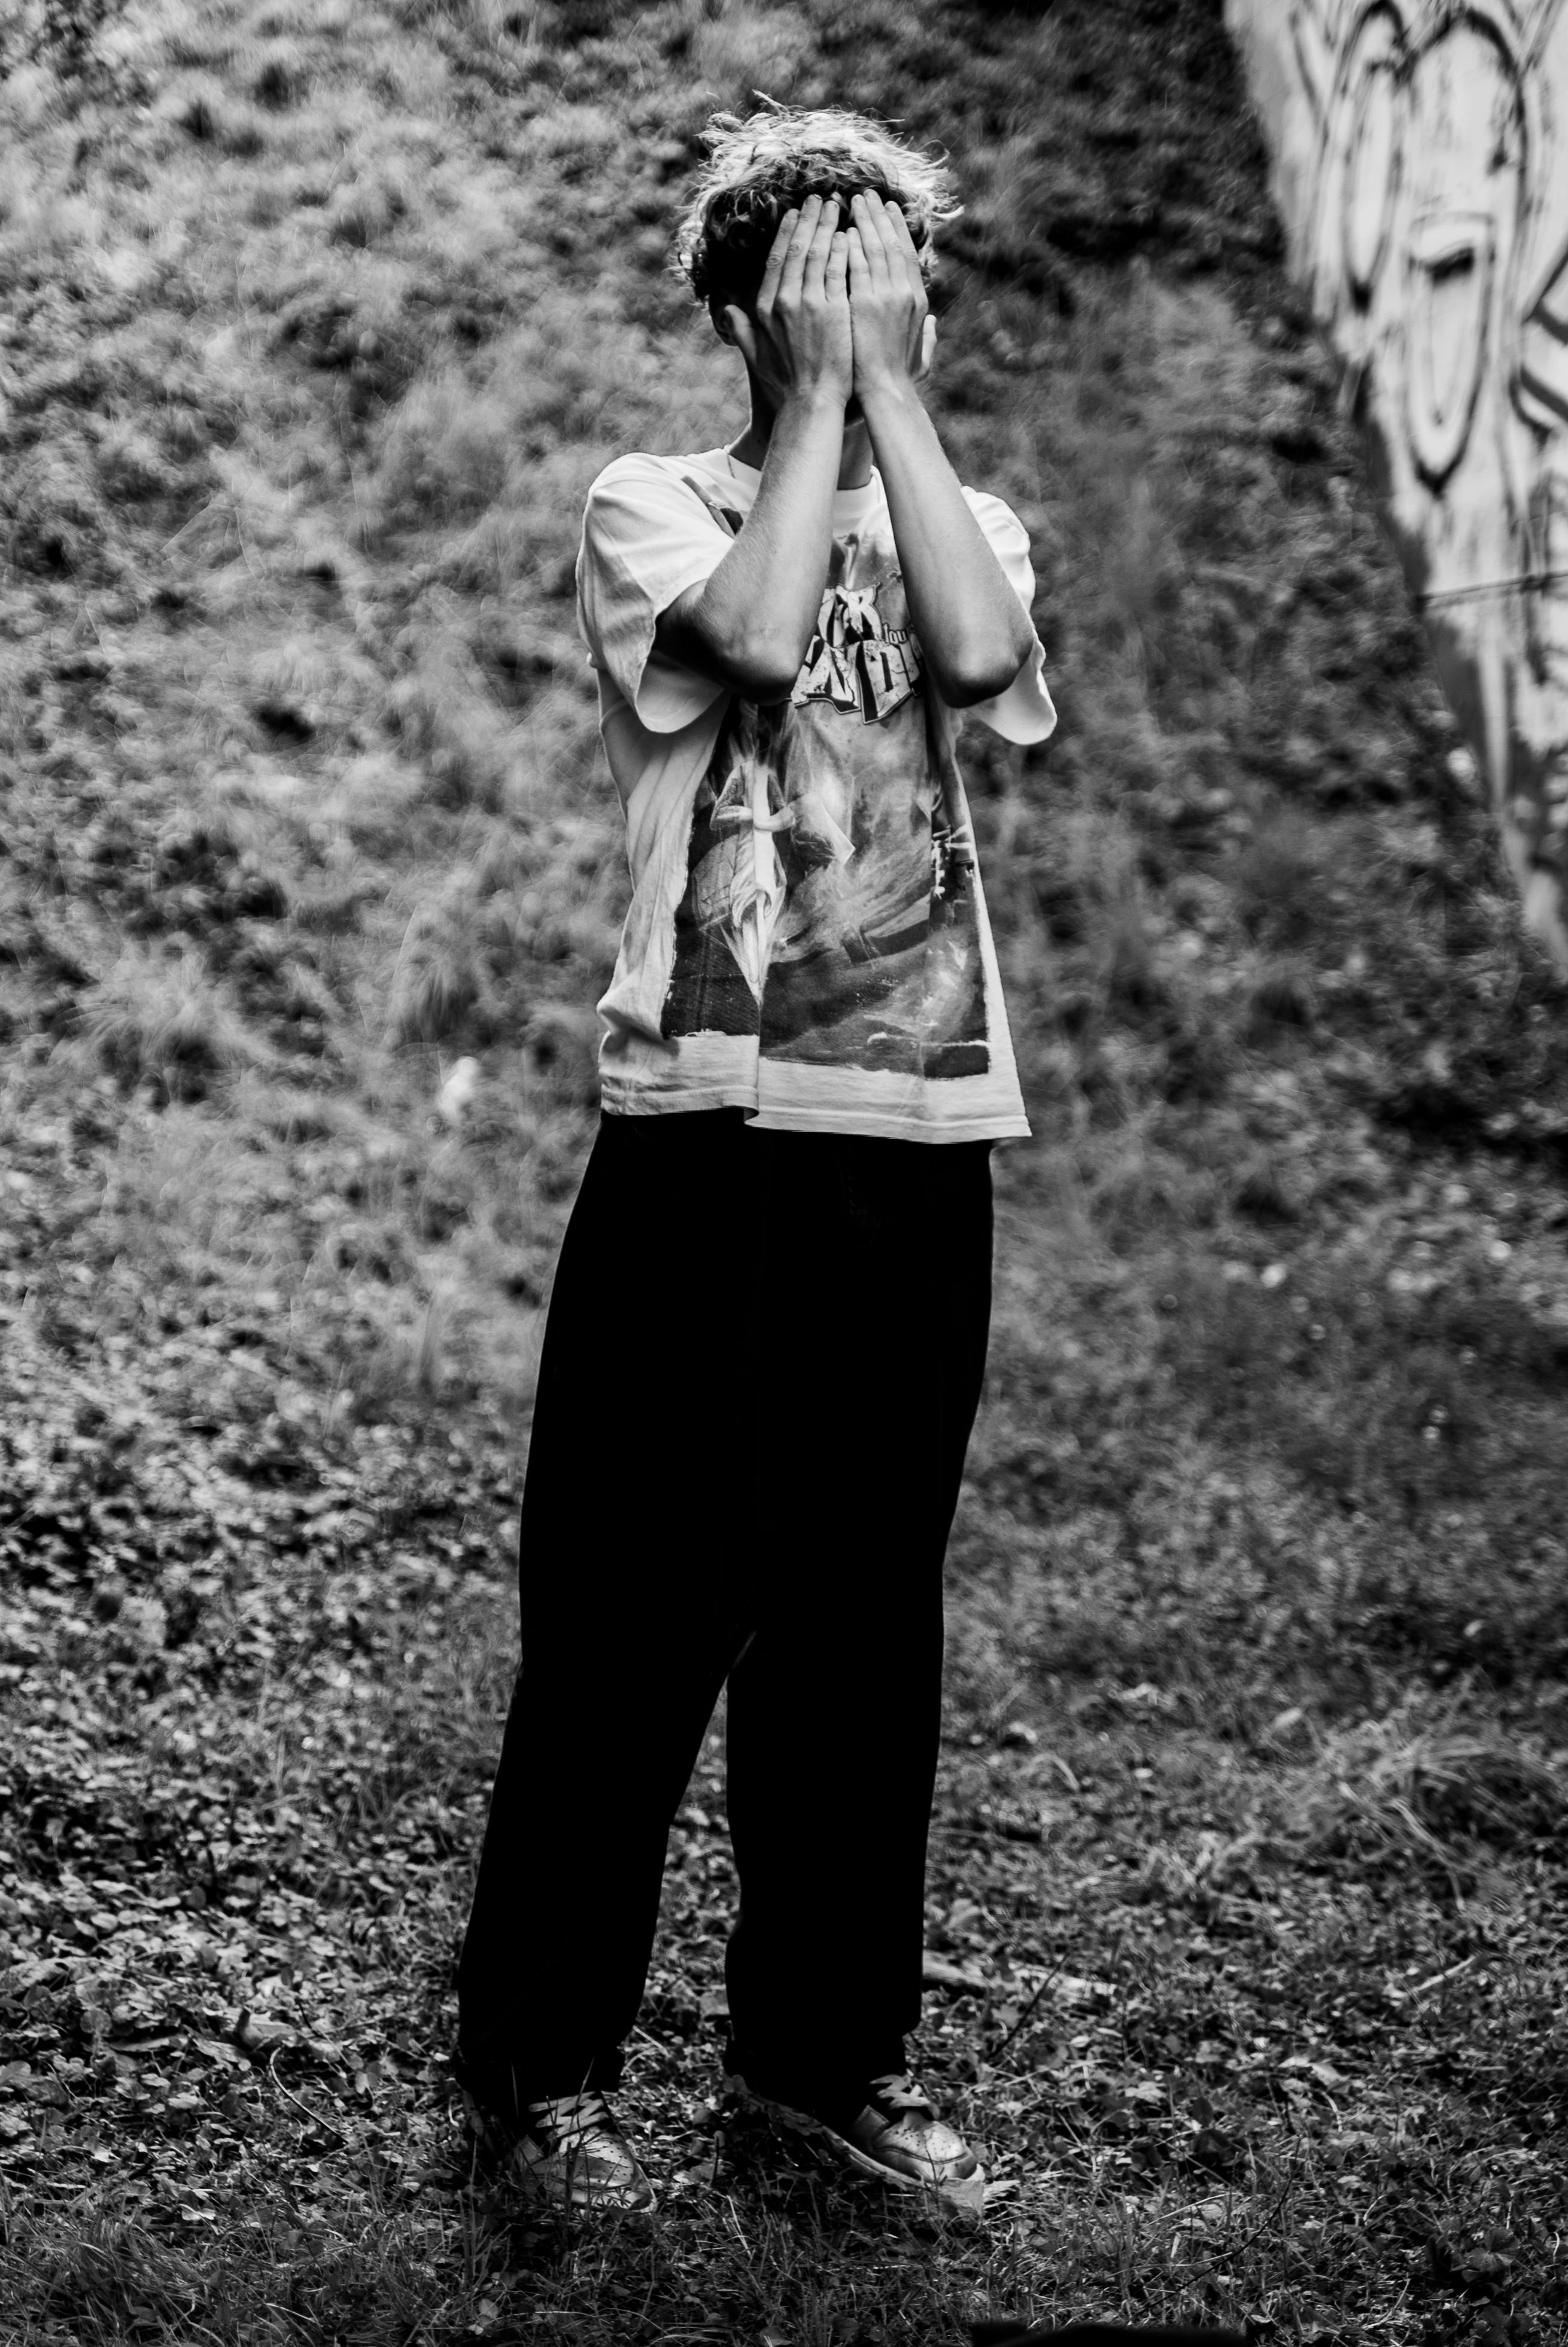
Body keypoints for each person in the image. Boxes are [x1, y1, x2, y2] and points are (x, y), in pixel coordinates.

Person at [455, 104, 1056, 2217]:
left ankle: (819, 2066)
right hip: (703, 1133)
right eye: (832, 283)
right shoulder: (654, 504)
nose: (876, 313)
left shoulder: (970, 513)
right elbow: (755, 642)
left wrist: (885, 400)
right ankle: (535, 2071)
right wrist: (814, 403)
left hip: (914, 1129)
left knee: (862, 1624)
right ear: (744, 310)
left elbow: (972, 661)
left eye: (898, 284)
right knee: (628, 1615)